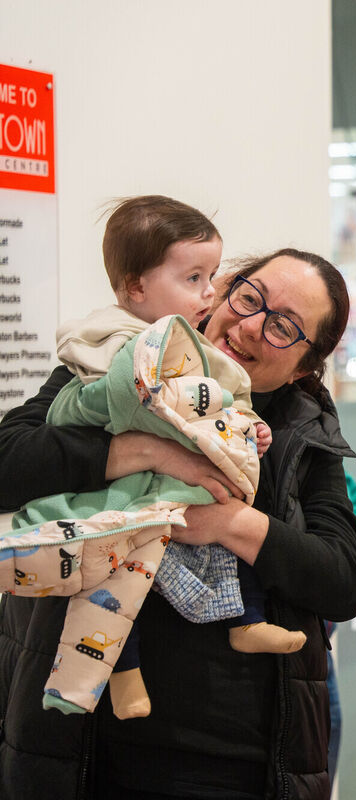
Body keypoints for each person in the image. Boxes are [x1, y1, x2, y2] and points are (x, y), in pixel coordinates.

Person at [0, 247, 356, 799]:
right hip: (84, 746)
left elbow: (342, 581)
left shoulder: (302, 433)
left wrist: (228, 523)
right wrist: (142, 452)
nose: (249, 326)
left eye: (283, 327)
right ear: (224, 290)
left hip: (239, 761)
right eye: (250, 297)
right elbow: (9, 461)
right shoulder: (127, 360)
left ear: (304, 367)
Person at [32, 195, 304, 720]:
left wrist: (249, 430)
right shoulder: (111, 338)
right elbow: (72, 409)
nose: (210, 293)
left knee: (225, 547)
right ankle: (121, 673)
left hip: (177, 495)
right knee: (116, 580)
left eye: (213, 276)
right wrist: (140, 425)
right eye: (194, 279)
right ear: (136, 287)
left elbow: (214, 405)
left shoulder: (186, 344)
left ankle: (245, 621)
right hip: (121, 498)